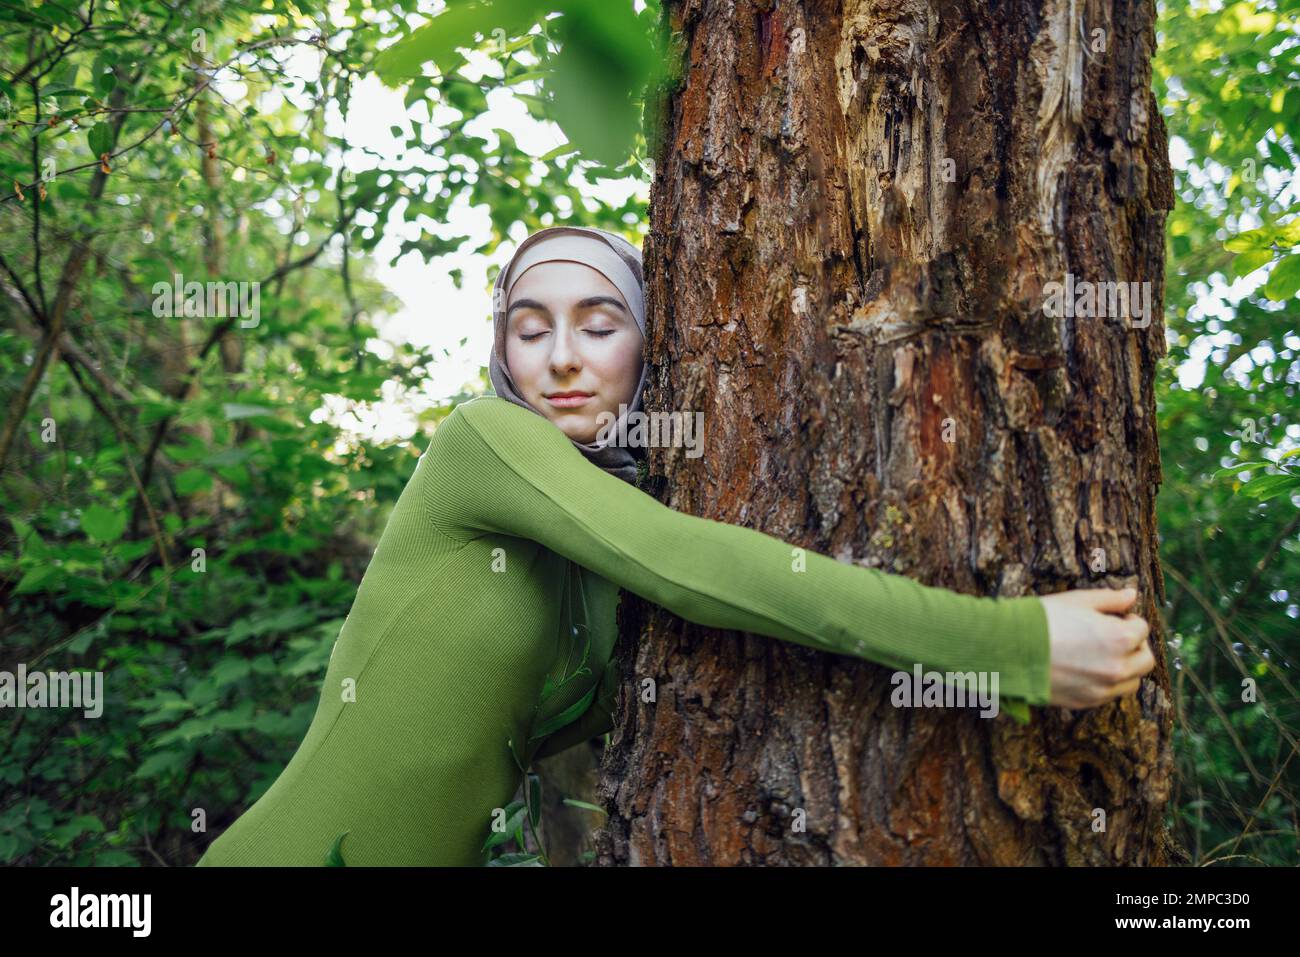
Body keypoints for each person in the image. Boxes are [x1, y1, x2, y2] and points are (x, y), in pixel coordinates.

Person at [195, 225, 1155, 867]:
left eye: (600, 323)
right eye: (529, 332)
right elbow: (696, 566)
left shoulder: (591, 544)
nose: (561, 357)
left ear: (651, 342)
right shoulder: (484, 441)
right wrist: (1006, 646)